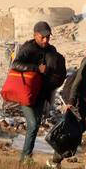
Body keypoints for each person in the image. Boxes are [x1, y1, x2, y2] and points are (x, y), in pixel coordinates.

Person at [10, 21, 66, 161]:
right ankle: (25, 157)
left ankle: (26, 156)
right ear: (35, 35)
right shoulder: (28, 48)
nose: (45, 40)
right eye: (43, 37)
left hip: (41, 94)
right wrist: (36, 68)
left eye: (48, 37)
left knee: (34, 126)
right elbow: (15, 64)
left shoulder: (51, 50)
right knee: (34, 125)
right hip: (26, 93)